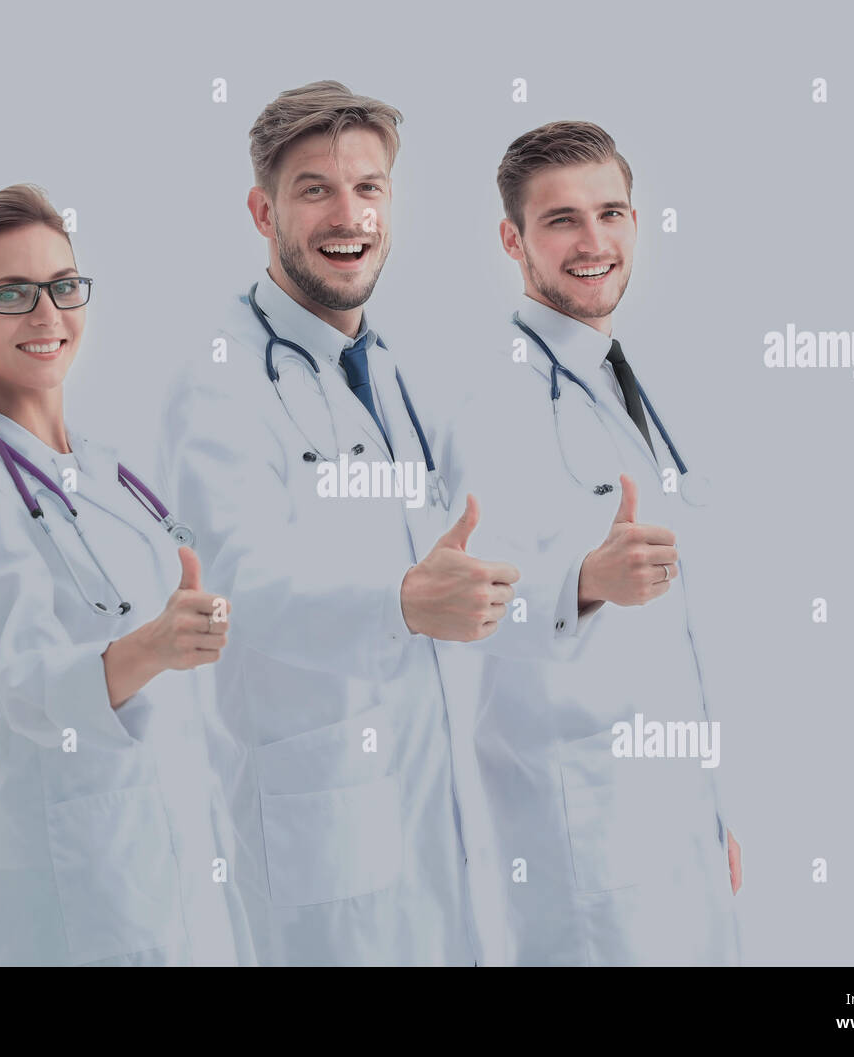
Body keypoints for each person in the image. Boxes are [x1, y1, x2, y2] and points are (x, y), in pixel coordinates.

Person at [159, 82, 518, 965]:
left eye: (368, 187)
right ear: (263, 210)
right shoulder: (221, 382)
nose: (347, 213)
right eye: (314, 188)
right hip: (319, 829)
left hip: (437, 814)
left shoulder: (397, 373)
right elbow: (234, 583)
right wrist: (399, 601)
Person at [0, 184, 249, 966]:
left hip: (165, 853)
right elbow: (31, 686)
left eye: (63, 286)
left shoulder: (101, 471)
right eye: (12, 294)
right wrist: (157, 644)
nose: (47, 315)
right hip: (74, 877)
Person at [449, 121, 743, 965]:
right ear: (514, 240)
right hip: (583, 827)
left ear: (635, 222)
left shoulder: (619, 374)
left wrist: (707, 813)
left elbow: (670, 642)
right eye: (560, 220)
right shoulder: (491, 401)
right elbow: (465, 606)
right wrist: (581, 580)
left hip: (672, 821)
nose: (593, 241)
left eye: (609, 213)